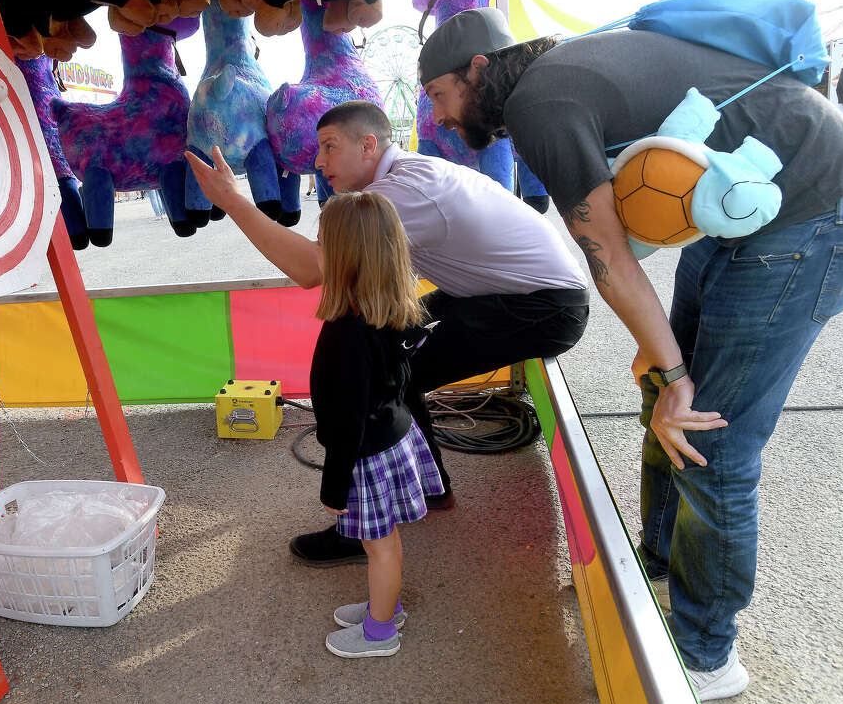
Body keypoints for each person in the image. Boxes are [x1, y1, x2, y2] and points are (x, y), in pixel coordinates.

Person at [418, 7, 843, 701]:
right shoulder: (561, 75)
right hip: (756, 210)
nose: (439, 117)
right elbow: (636, 230)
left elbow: (606, 257)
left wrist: (674, 370)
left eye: (438, 95)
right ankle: (661, 564)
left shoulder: (539, 103)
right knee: (665, 392)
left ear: (478, 70)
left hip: (817, 207)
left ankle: (707, 655)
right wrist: (665, 365)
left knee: (709, 435)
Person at [186, 100, 590, 567]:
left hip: (541, 306)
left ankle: (375, 518)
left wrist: (233, 201)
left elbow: (312, 268)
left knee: (390, 378)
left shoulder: (403, 192)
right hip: (503, 294)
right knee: (391, 362)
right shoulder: (406, 176)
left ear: (368, 145)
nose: (318, 161)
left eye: (329, 147)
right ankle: (425, 486)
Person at [306, 190, 443, 658]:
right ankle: (387, 605)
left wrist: (333, 488)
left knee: (379, 545)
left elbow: (347, 422)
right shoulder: (389, 311)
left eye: (321, 242)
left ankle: (380, 632)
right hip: (393, 436)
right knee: (384, 542)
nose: (315, 249)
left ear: (343, 257)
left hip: (365, 454)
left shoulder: (346, 334)